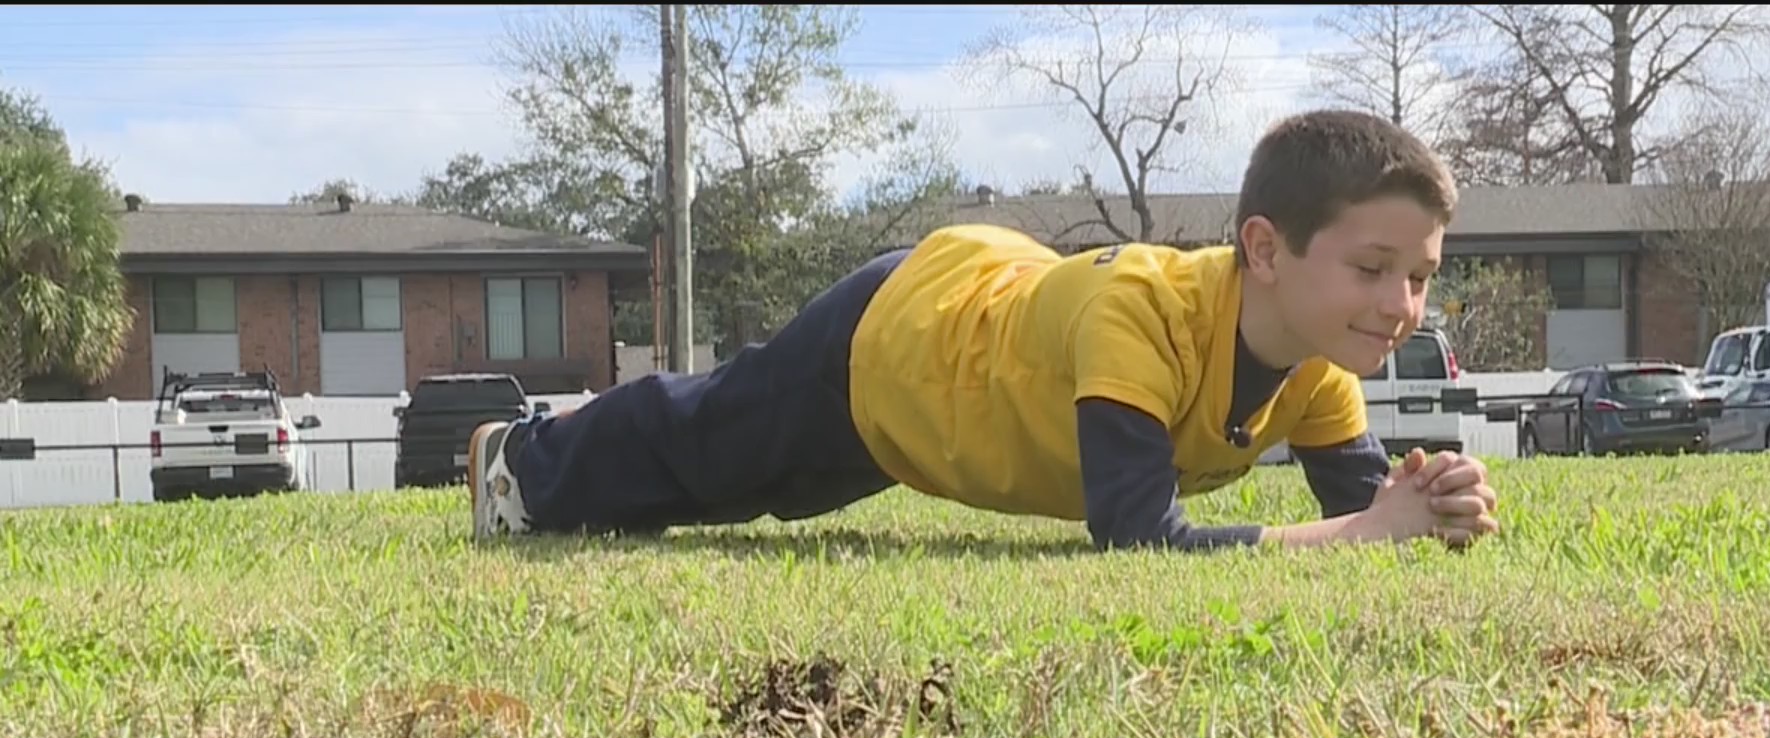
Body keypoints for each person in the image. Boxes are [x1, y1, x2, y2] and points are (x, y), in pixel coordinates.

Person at [465, 109, 1499, 551]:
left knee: (754, 500)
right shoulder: (1148, 313)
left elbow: (1368, 518)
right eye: (1373, 269)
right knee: (709, 448)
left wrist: (1431, 508)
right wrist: (1367, 529)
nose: (1400, 307)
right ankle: (518, 459)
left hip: (973, 375)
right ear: (1266, 249)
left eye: (1419, 277)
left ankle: (564, 477)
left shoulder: (1317, 375)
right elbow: (1140, 539)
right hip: (902, 338)